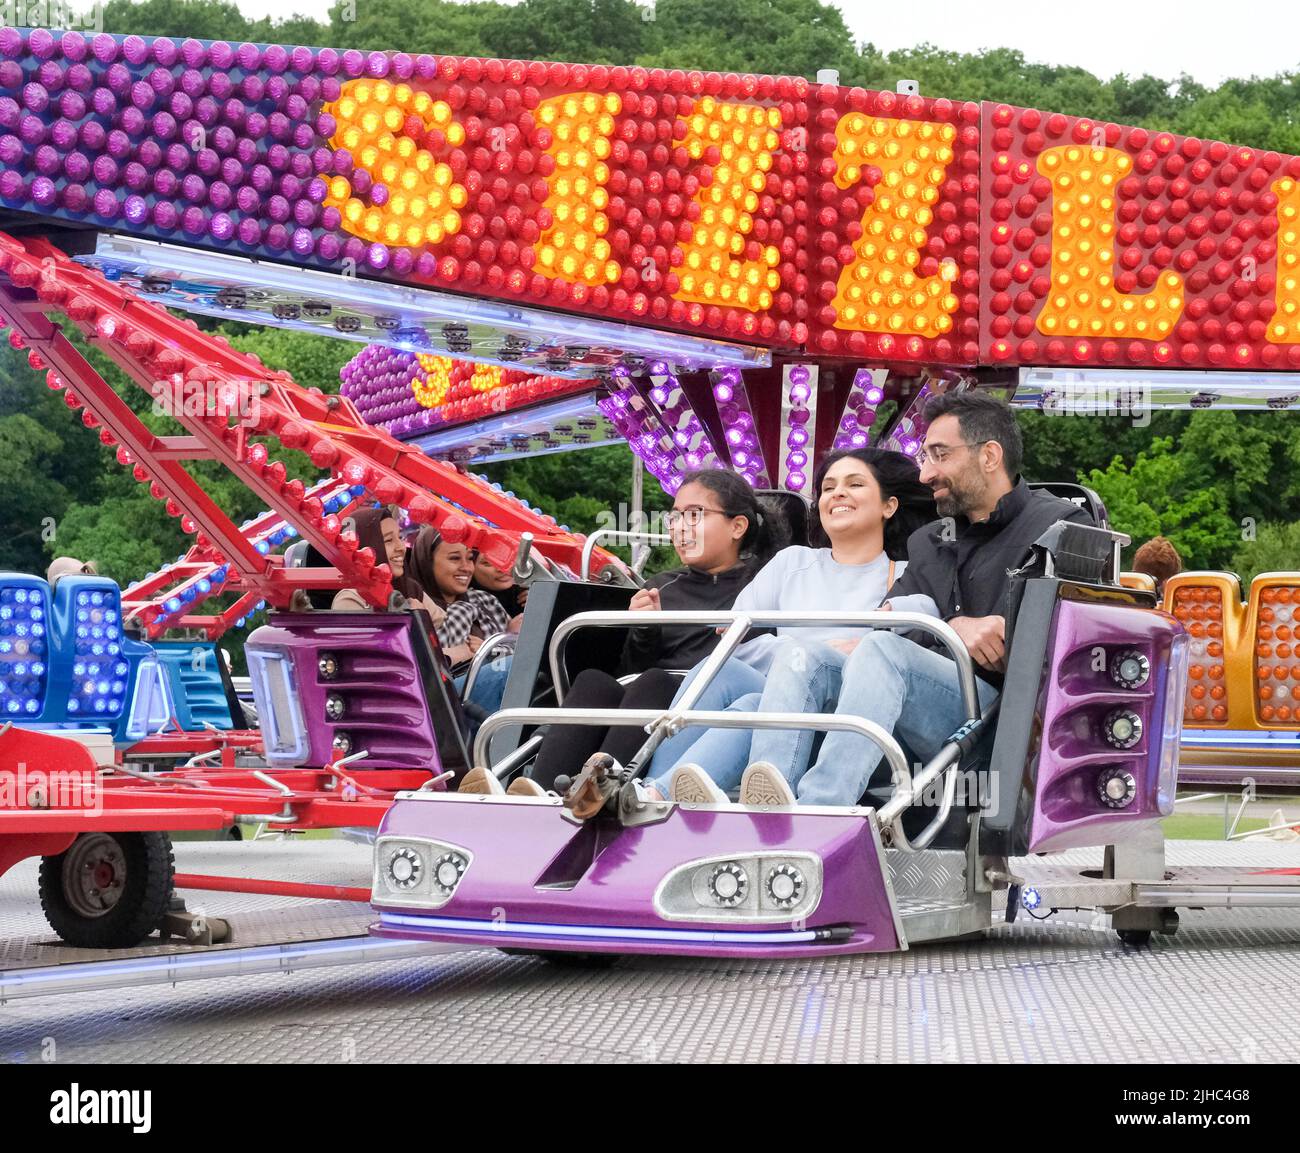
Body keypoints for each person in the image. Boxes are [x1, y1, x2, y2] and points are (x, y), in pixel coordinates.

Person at [733, 390, 1092, 808]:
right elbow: (891, 622)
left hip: (1007, 725)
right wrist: (954, 629)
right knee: (805, 654)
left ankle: (823, 807)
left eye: (939, 455)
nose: (925, 474)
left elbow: (1080, 645)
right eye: (925, 457)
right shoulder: (930, 540)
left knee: (885, 651)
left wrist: (1010, 631)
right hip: (921, 709)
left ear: (989, 456)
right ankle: (765, 802)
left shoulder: (1061, 526)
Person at [458, 468, 783, 797]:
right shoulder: (661, 586)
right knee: (593, 681)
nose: (680, 527)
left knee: (657, 680)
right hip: (651, 700)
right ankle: (541, 790)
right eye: (674, 517)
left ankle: (610, 787)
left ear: (737, 526)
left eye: (695, 515)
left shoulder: (763, 584)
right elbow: (631, 670)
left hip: (706, 706)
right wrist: (644, 628)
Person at [640, 447, 936, 804]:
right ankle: (653, 792)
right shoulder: (793, 561)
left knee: (762, 700)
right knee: (720, 672)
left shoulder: (905, 575)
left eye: (854, 484)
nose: (838, 493)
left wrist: (830, 653)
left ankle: (663, 793)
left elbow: (921, 629)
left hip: (849, 711)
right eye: (828, 487)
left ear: (888, 506)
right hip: (780, 697)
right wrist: (793, 657)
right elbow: (733, 634)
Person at [406, 525, 514, 720]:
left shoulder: (485, 600)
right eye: (455, 558)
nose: (466, 567)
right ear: (427, 562)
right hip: (441, 705)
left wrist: (493, 648)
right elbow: (435, 663)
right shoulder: (415, 603)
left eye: (470, 558)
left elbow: (518, 651)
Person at [472, 553, 528, 628]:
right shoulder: (468, 604)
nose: (502, 569)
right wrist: (509, 635)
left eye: (508, 559)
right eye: (488, 563)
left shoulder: (527, 593)